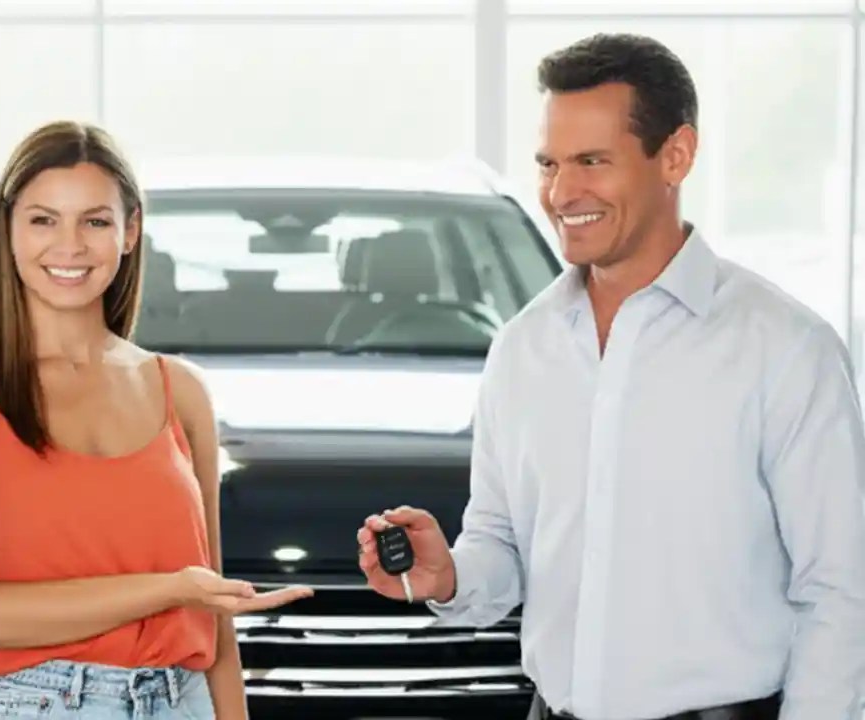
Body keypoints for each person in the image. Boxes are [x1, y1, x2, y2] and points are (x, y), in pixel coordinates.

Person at [358, 32, 865, 720]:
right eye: (548, 163)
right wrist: (449, 575)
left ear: (676, 155)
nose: (563, 192)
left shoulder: (786, 349)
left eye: (593, 161)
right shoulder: (522, 349)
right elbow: (503, 543)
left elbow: (840, 590)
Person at [0, 120, 313, 720]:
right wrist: (167, 588)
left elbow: (216, 624)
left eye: (95, 221)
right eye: (43, 219)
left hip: (183, 702)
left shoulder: (180, 391)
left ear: (130, 232)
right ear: (8, 231)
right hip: (44, 704)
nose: (70, 246)